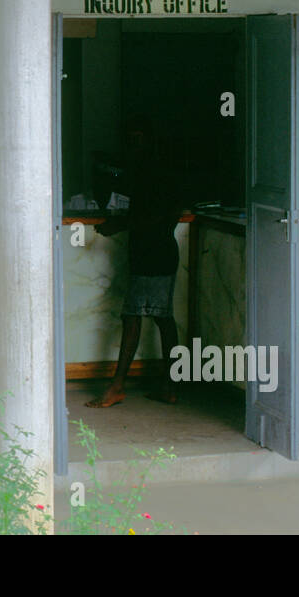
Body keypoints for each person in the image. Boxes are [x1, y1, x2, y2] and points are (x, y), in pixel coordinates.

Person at [86, 114, 188, 408]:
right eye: (130, 139)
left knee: (133, 318)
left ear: (149, 139)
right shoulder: (157, 170)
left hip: (152, 255)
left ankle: (117, 386)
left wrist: (117, 225)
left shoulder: (153, 171)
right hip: (158, 253)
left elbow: (151, 216)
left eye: (137, 138)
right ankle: (170, 386)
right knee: (162, 318)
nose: (133, 144)